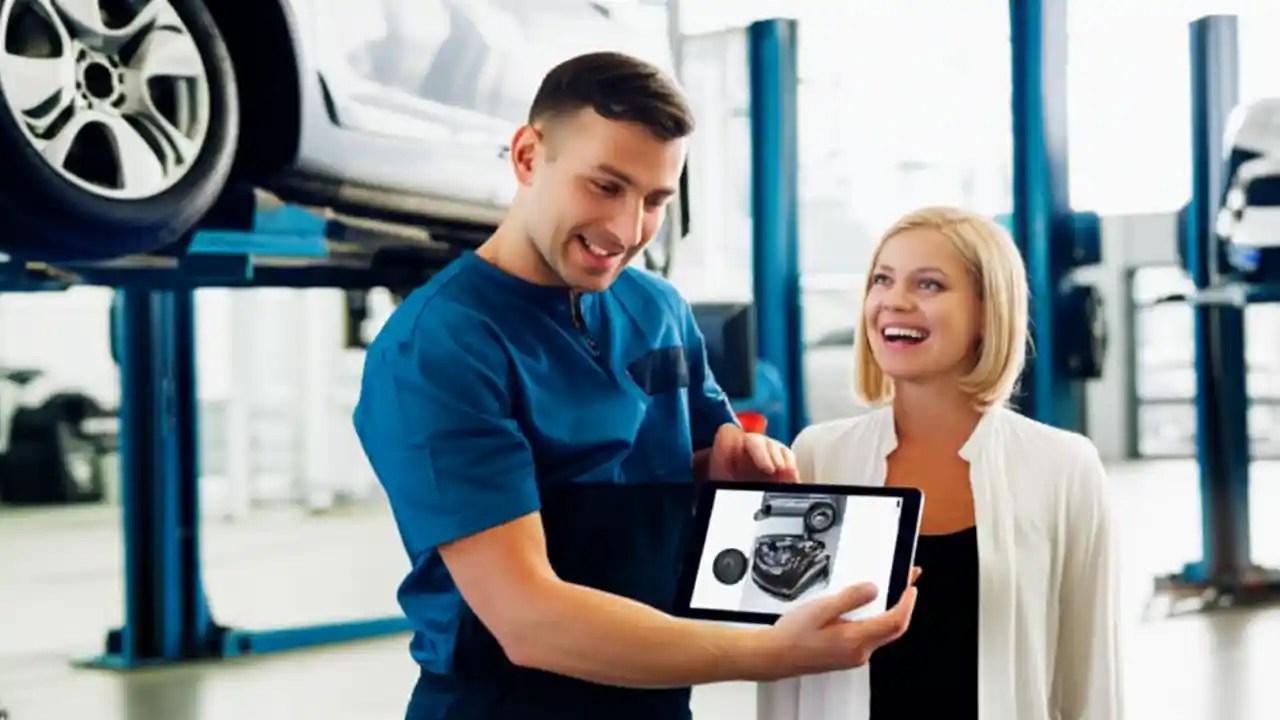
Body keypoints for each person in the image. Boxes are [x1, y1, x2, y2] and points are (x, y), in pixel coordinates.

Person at [352, 51, 919, 720]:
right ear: (529, 157)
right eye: (604, 186)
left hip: (655, 701)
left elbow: (692, 457)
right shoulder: (439, 347)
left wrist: (725, 458)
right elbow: (528, 619)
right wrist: (768, 654)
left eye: (654, 200)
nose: (626, 231)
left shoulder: (656, 309)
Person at [758, 206, 1123, 720]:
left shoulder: (1065, 467)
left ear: (986, 311)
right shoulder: (820, 455)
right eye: (881, 280)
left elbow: (1091, 674)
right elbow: (786, 672)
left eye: (928, 285)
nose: (893, 301)